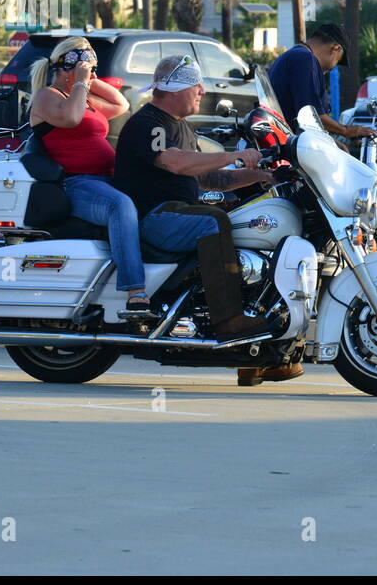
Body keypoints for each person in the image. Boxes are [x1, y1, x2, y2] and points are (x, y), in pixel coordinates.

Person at [113, 56, 295, 382]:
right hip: (155, 216)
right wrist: (233, 154)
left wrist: (265, 176)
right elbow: (175, 163)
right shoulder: (150, 124)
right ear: (175, 89)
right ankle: (229, 320)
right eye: (195, 85)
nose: (201, 91)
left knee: (242, 221)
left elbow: (213, 180)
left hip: (177, 212)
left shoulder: (180, 127)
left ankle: (256, 352)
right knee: (213, 221)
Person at [28, 37, 151, 318]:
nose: (92, 73)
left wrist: (89, 79)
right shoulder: (47, 96)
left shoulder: (83, 96)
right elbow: (71, 119)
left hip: (107, 180)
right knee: (120, 206)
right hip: (77, 183)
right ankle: (135, 291)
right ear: (66, 68)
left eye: (93, 68)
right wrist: (82, 82)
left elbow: (120, 105)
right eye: (86, 67)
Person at [268, 24, 377, 139]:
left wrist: (334, 143)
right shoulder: (305, 59)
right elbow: (310, 115)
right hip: (287, 145)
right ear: (336, 49)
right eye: (338, 61)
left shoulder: (292, 55)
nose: (332, 68)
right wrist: (346, 130)